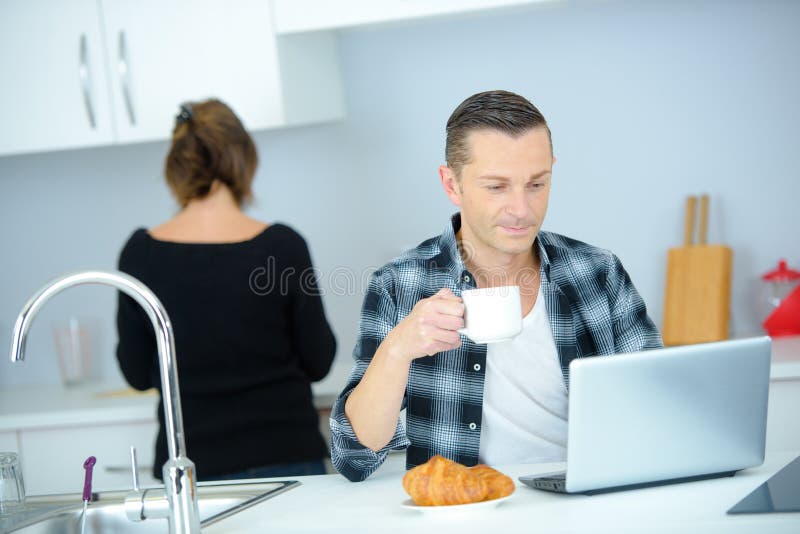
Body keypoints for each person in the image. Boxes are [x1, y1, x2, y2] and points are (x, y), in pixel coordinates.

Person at [331, 90, 662, 482]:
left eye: (536, 184)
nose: (522, 210)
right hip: (462, 514)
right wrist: (398, 348)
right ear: (452, 184)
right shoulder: (399, 285)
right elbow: (355, 458)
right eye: (497, 187)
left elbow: (656, 411)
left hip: (586, 505)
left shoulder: (598, 272)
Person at [116, 98, 336, 481]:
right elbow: (319, 361)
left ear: (178, 167)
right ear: (244, 160)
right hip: (289, 457)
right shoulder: (282, 247)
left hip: (192, 470)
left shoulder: (140, 254)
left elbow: (136, 373)